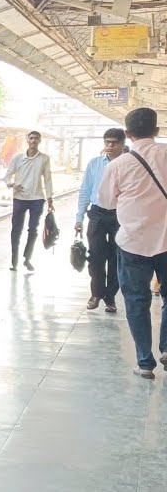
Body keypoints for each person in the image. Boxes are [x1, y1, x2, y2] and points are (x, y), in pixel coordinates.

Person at [96, 108, 167, 379]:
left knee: (137, 301)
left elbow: (106, 202)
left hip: (134, 243)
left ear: (127, 134)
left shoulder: (118, 165)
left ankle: (145, 363)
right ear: (157, 131)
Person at [76, 128, 127, 312]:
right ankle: (96, 293)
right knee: (95, 256)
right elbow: (85, 190)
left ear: (123, 144)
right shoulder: (94, 164)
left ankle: (110, 297)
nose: (110, 146)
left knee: (116, 257)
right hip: (97, 213)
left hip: (119, 215)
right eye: (107, 142)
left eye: (114, 142)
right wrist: (79, 217)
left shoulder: (129, 164)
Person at [3, 130, 55, 271]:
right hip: (19, 199)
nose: (33, 141)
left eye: (36, 139)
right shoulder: (18, 158)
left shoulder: (44, 158)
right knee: (16, 229)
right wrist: (13, 184)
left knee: (33, 229)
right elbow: (7, 176)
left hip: (37, 199)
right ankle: (14, 261)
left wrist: (49, 197)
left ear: (39, 141)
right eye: (31, 138)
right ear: (27, 140)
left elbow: (47, 178)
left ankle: (27, 258)